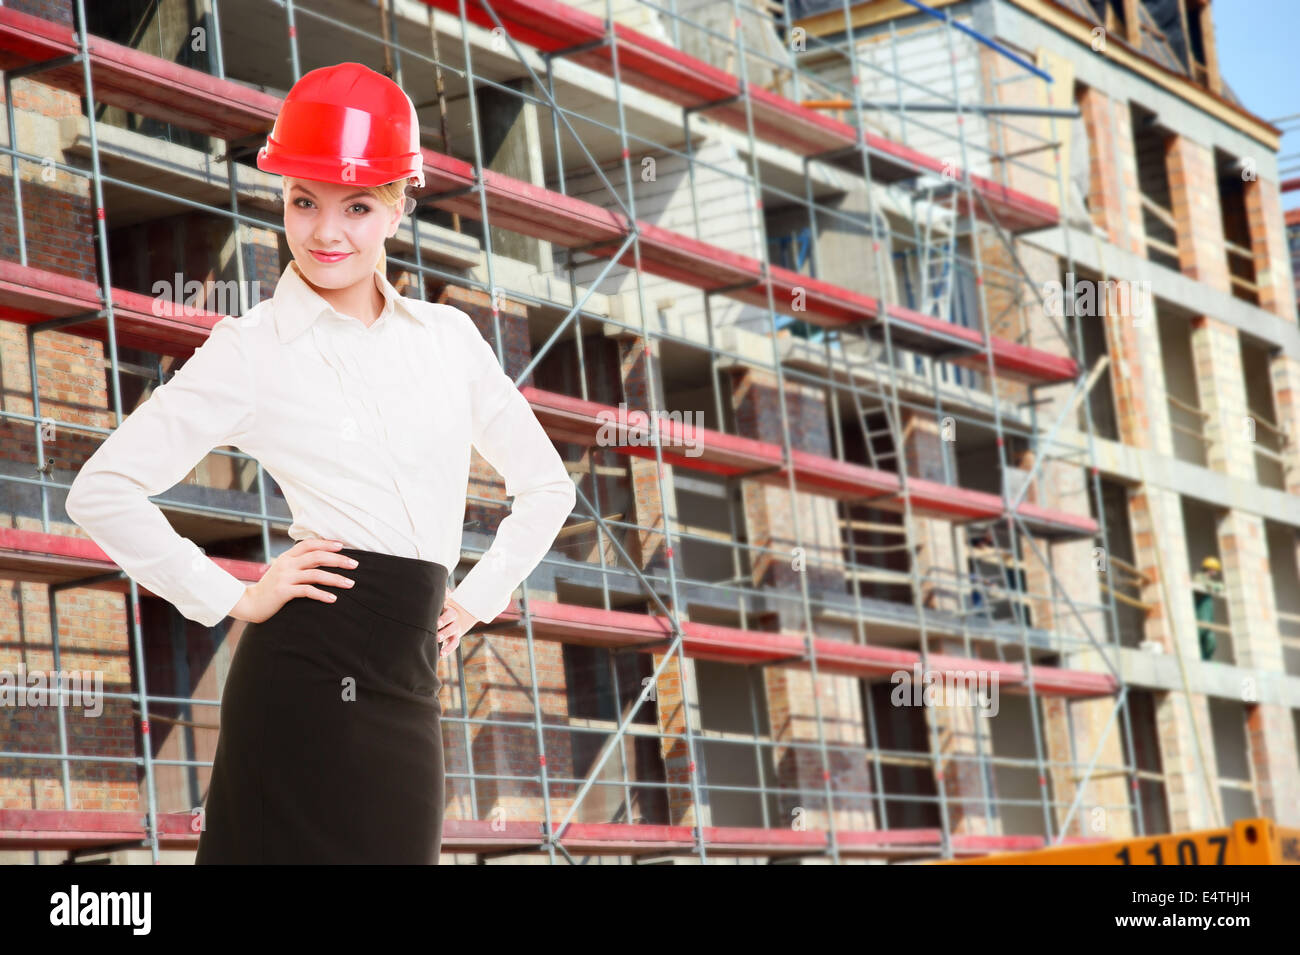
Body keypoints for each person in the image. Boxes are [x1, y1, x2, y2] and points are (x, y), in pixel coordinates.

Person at [63, 62, 576, 863]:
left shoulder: (449, 342)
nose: (326, 232)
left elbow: (547, 485)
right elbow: (101, 489)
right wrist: (232, 594)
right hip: (301, 670)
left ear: (399, 208)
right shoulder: (251, 348)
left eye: (357, 206)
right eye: (304, 201)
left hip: (408, 677)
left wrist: (476, 598)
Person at [1193, 555, 1225, 662]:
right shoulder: (1199, 577)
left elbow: (1219, 586)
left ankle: (1207, 659)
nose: (1215, 572)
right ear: (1210, 569)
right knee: (1200, 635)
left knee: (1210, 640)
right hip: (1201, 614)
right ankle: (1200, 658)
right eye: (1215, 570)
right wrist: (1214, 586)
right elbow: (1202, 584)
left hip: (1208, 615)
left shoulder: (1208, 581)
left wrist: (1217, 586)